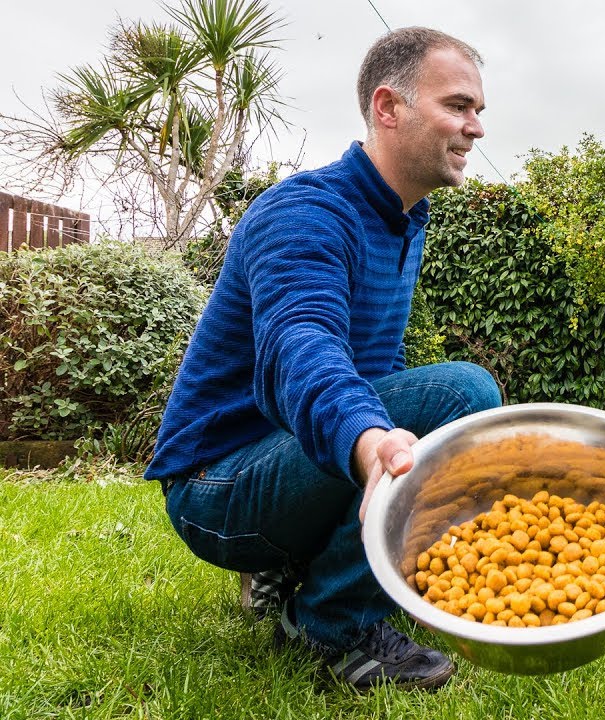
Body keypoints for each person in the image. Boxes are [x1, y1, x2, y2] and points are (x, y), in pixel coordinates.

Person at [145, 27, 501, 691]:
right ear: (388, 107)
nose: (476, 127)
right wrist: (371, 445)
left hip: (288, 460)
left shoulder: (404, 218)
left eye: (478, 109)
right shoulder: (305, 213)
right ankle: (332, 625)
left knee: (427, 406)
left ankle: (295, 569)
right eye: (458, 105)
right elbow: (300, 345)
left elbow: (377, 368)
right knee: (464, 395)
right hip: (214, 488)